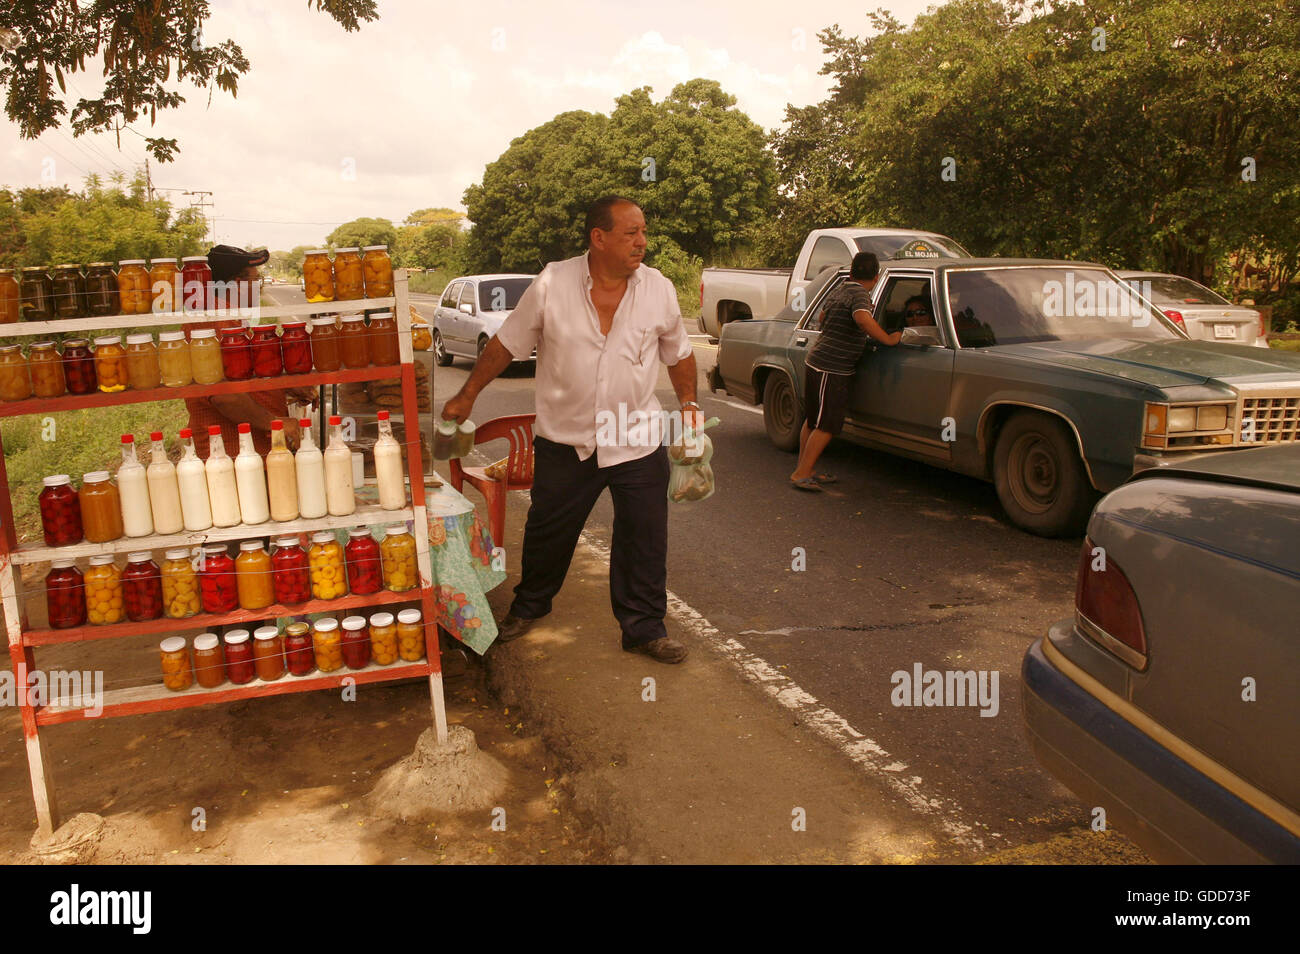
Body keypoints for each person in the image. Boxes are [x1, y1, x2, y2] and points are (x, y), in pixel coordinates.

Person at [439, 196, 699, 664]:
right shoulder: (553, 282)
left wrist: (691, 406)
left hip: (635, 436)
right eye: (630, 233)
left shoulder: (658, 288)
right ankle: (529, 606)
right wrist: (468, 393)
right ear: (598, 238)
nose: (642, 242)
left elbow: (678, 352)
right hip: (565, 438)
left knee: (645, 536)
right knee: (548, 529)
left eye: (643, 231)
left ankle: (643, 629)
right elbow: (507, 343)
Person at [184, 245, 317, 456]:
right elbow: (223, 396)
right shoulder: (214, 318)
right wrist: (274, 423)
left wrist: (284, 387)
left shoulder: (231, 316)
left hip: (254, 451)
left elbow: (239, 374)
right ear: (238, 283)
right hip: (230, 453)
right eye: (256, 282)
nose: (259, 288)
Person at [789, 252, 900, 491]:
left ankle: (805, 468)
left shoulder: (840, 289)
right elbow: (862, 319)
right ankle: (801, 473)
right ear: (876, 276)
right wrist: (888, 339)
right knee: (827, 424)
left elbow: (822, 316)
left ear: (851, 272)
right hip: (832, 367)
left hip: (817, 361)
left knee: (814, 420)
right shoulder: (860, 293)